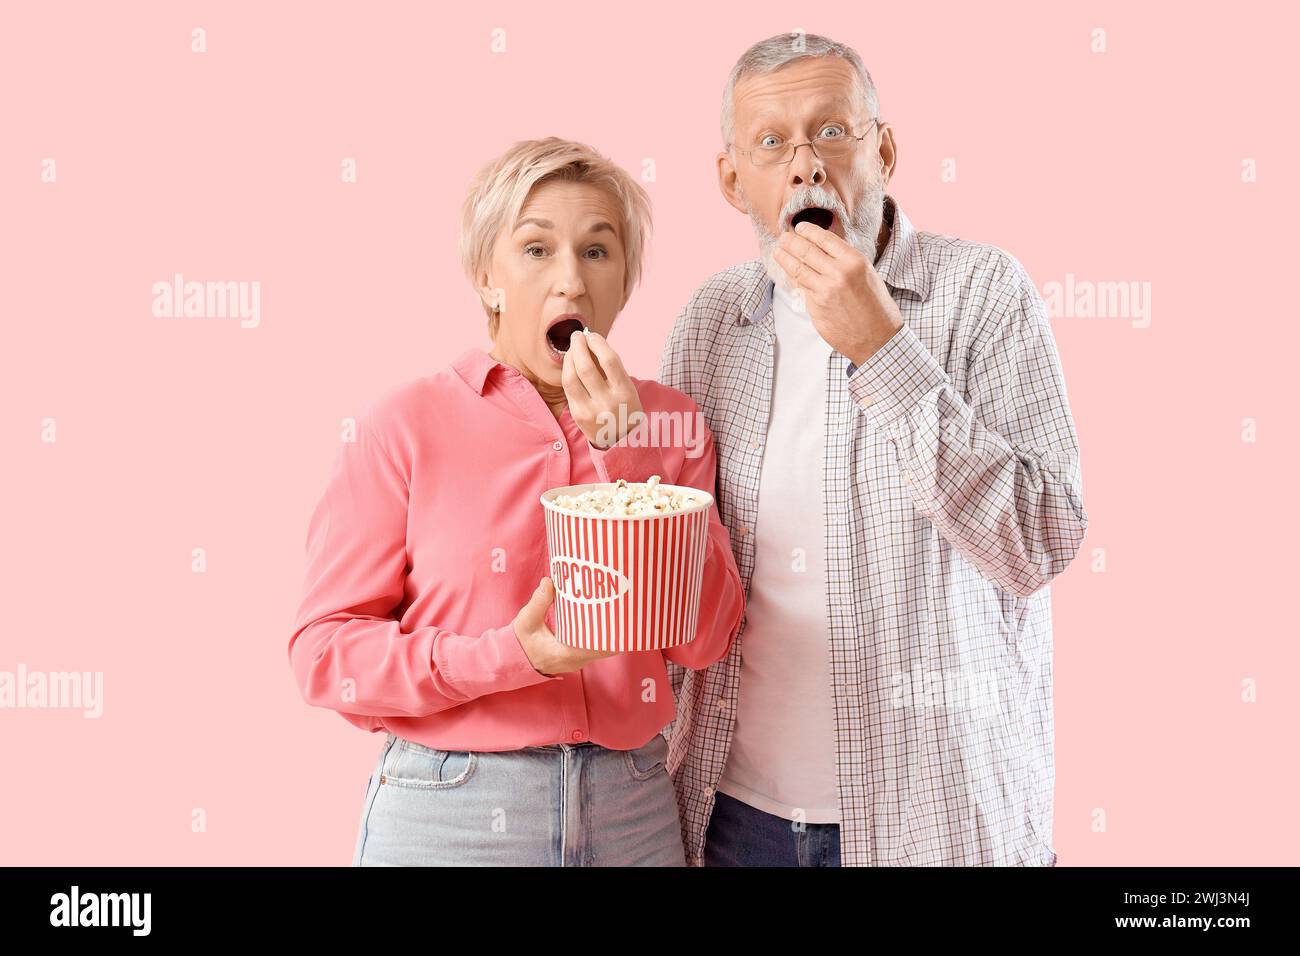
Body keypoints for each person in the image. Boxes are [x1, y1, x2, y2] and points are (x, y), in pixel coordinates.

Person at [659, 33, 1088, 866]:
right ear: (730, 179)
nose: (805, 166)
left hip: (935, 822)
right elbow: (677, 558)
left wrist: (884, 352)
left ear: (884, 150)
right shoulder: (711, 322)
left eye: (832, 132)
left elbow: (1040, 540)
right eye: (772, 142)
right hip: (730, 818)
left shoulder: (987, 293)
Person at [289, 136, 745, 866]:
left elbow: (706, 639)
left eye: (598, 251)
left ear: (625, 280)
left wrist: (626, 459)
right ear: (486, 277)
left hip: (632, 807)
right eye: (536, 250)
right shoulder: (403, 425)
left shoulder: (673, 425)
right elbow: (325, 654)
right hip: (452, 810)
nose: (570, 281)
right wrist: (510, 658)